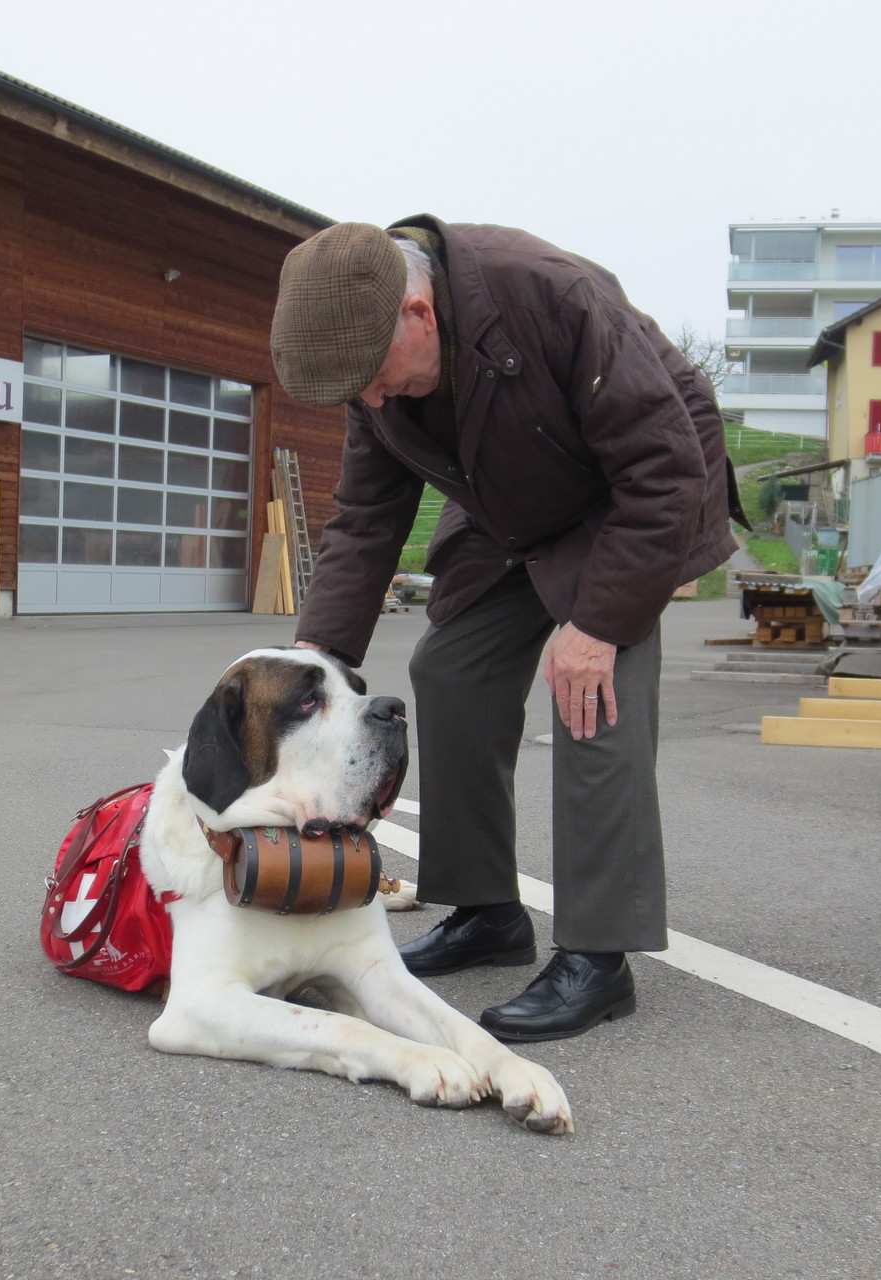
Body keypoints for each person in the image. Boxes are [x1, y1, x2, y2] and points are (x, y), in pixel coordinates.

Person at [269, 217, 741, 1040]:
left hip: (633, 494)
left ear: (420, 313)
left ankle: (599, 957)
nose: (373, 399)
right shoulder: (369, 367)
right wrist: (316, 659)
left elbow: (662, 470)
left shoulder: (551, 295)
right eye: (360, 391)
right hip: (509, 503)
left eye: (377, 378)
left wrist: (594, 624)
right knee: (451, 670)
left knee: (593, 692)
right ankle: (489, 913)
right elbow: (368, 518)